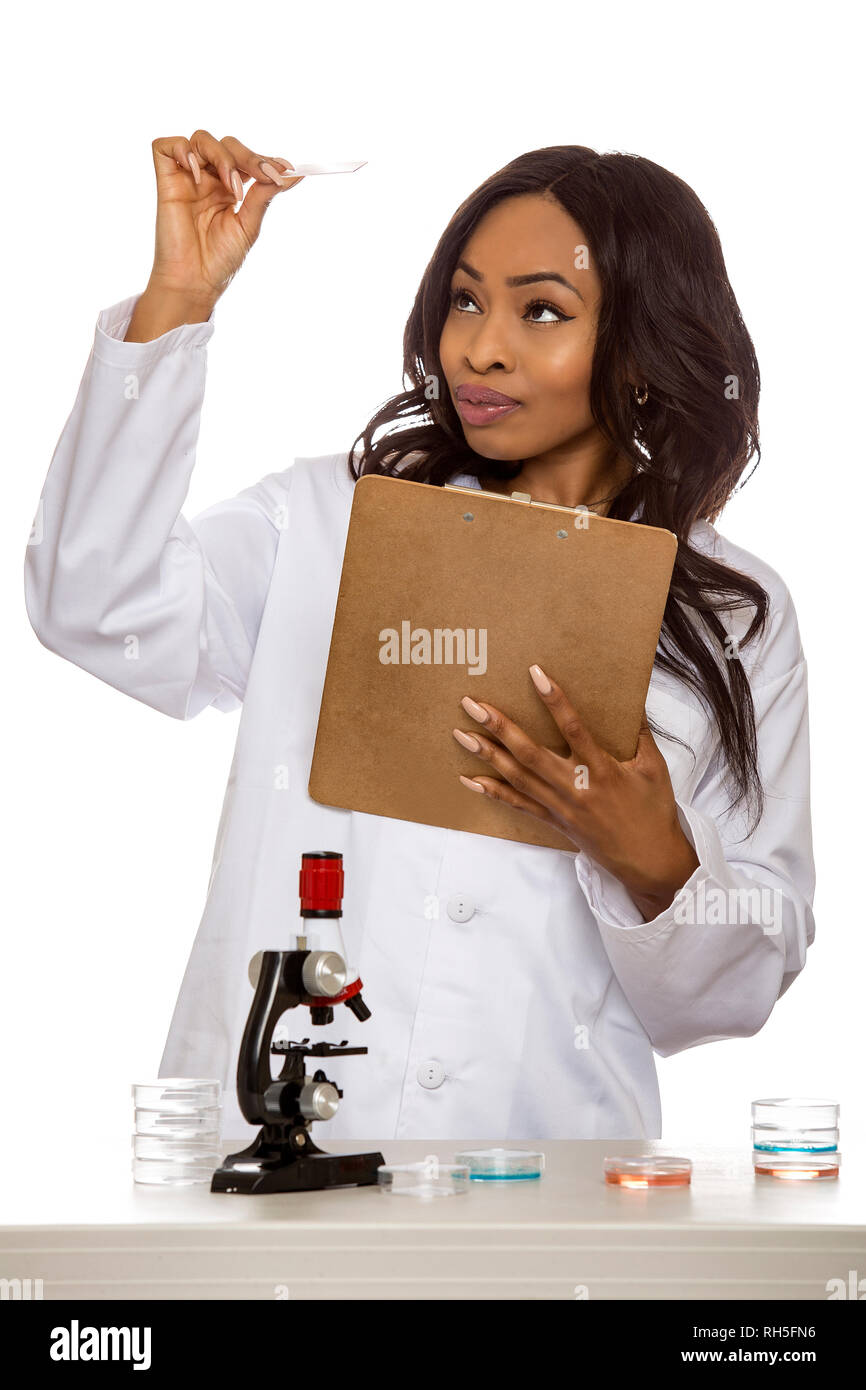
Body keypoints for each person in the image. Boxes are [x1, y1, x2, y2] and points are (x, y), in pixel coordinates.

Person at [24, 133, 815, 1141]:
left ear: (644, 347)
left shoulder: (733, 612)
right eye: (464, 299)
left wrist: (655, 859)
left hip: (544, 1192)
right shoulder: (323, 522)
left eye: (541, 310)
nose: (480, 347)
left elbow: (736, 988)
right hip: (273, 1175)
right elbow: (93, 604)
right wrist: (177, 297)